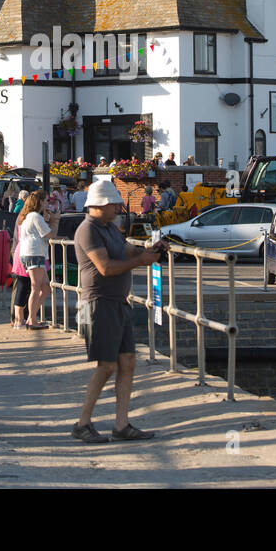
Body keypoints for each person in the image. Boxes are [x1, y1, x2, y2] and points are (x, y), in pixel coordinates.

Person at [70, 179, 166, 443]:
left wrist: (149, 250)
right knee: (107, 365)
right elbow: (105, 267)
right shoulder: (88, 230)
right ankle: (83, 422)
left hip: (117, 302)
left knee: (127, 361)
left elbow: (126, 249)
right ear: (101, 205)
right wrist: (140, 261)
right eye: (114, 205)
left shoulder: (109, 228)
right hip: (98, 303)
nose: (118, 209)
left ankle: (121, 424)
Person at [17, 192, 51, 329]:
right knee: (36, 287)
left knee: (45, 287)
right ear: (40, 202)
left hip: (30, 253)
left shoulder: (27, 217)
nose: (47, 203)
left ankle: (31, 317)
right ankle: (32, 320)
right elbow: (49, 234)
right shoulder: (36, 216)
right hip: (34, 253)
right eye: (46, 201)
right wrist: (55, 220)